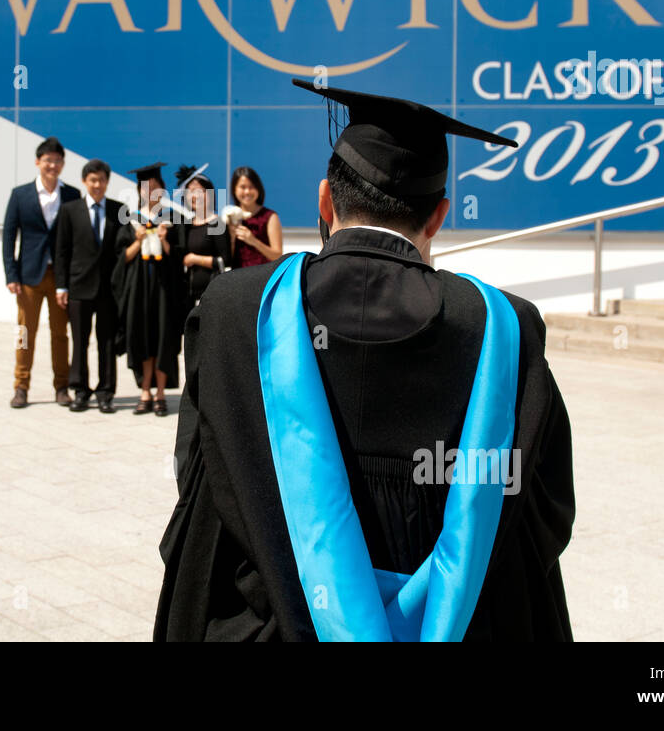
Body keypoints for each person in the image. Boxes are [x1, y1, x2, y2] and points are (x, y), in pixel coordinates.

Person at [154, 79, 574, 641]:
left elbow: (202, 493)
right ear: (439, 216)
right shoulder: (504, 329)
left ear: (325, 200)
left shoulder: (236, 313)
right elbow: (544, 517)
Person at [2, 137, 80, 409]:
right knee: (25, 332)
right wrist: (11, 274)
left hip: (60, 278)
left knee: (60, 334)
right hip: (29, 277)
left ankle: (62, 387)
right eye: (48, 160)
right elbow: (9, 235)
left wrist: (71, 279)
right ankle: (21, 386)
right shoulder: (20, 194)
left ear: (63, 164)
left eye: (58, 160)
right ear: (38, 162)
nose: (53, 165)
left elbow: (74, 239)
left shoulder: (71, 195)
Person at [111, 163, 184, 416]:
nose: (151, 191)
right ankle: (145, 391)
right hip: (139, 290)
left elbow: (179, 259)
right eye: (145, 187)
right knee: (142, 336)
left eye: (155, 187)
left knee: (163, 337)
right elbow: (122, 259)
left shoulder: (173, 218)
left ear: (163, 190)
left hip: (164, 290)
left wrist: (164, 241)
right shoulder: (130, 220)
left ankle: (161, 393)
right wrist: (138, 239)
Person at [55, 159, 124, 414]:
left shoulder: (119, 210)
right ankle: (81, 391)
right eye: (93, 180)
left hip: (108, 290)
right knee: (79, 341)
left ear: (107, 182)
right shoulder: (69, 210)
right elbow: (61, 251)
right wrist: (61, 287)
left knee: (106, 342)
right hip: (78, 287)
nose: (97, 185)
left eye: (102, 180)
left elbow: (122, 252)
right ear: (85, 182)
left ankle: (106, 393)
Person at [170, 165, 231, 310]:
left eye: (200, 191)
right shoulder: (185, 226)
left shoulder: (217, 223)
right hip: (189, 295)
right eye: (190, 192)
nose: (195, 196)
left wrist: (195, 259)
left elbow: (226, 260)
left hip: (213, 295)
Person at [229, 166, 283, 268]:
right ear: (234, 189)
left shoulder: (270, 217)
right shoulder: (229, 217)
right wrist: (231, 238)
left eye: (251, 187)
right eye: (243, 187)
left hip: (263, 277)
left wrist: (253, 241)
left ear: (258, 188)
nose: (247, 192)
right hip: (237, 278)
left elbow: (278, 255)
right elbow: (225, 259)